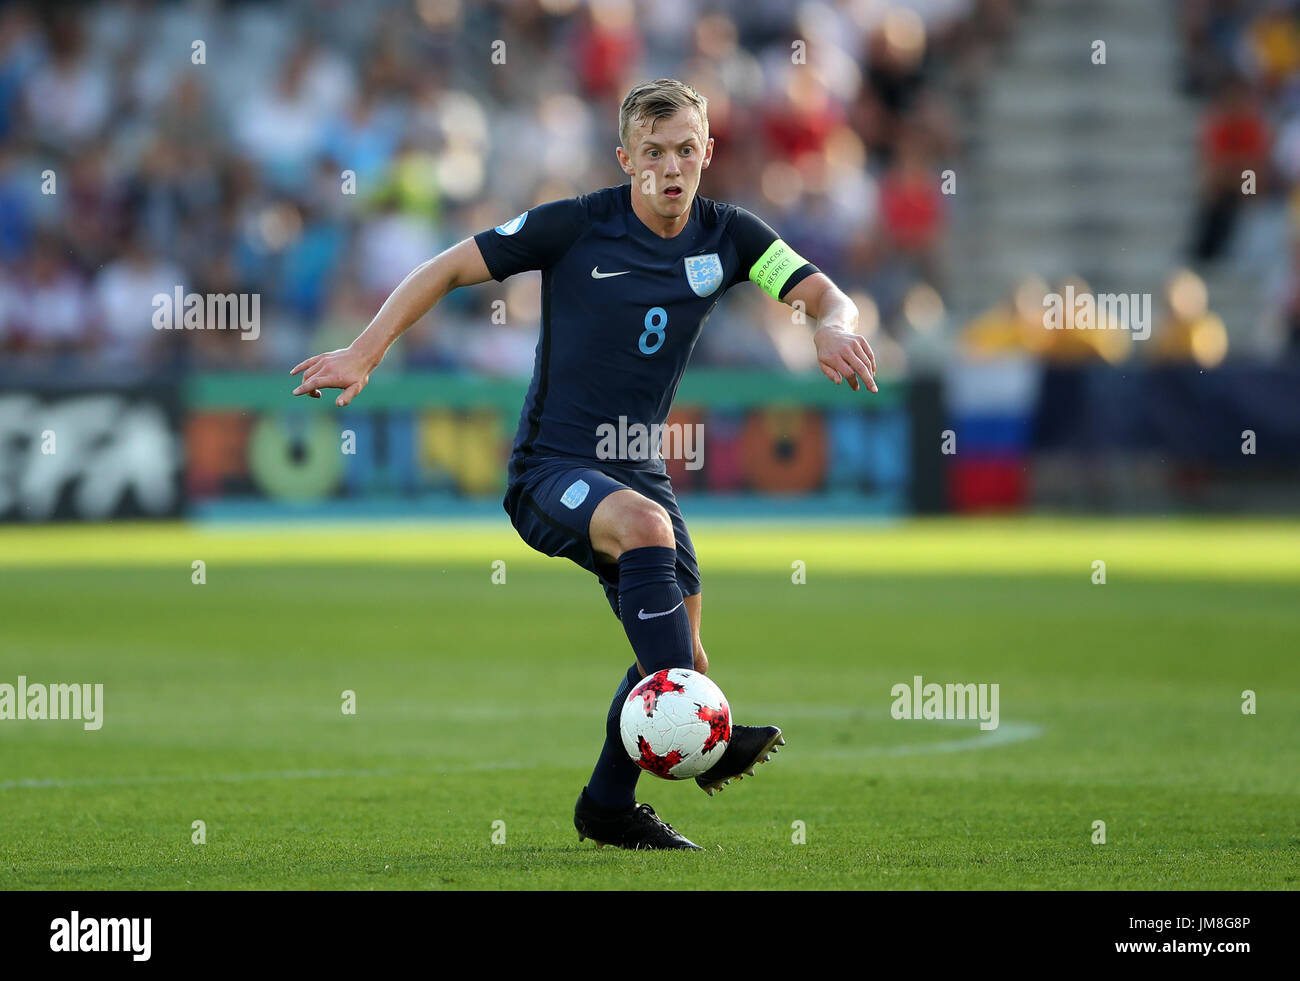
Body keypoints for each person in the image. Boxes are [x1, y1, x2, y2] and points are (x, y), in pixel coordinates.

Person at [290, 79, 877, 850]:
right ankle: (702, 739)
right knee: (647, 540)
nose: (671, 169)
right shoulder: (576, 226)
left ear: (708, 153)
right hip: (550, 468)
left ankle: (607, 804)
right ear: (626, 157)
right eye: (654, 153)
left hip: (640, 470)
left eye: (685, 151)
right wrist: (364, 352)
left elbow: (826, 294)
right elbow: (444, 267)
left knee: (678, 651)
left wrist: (831, 326)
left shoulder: (728, 239)